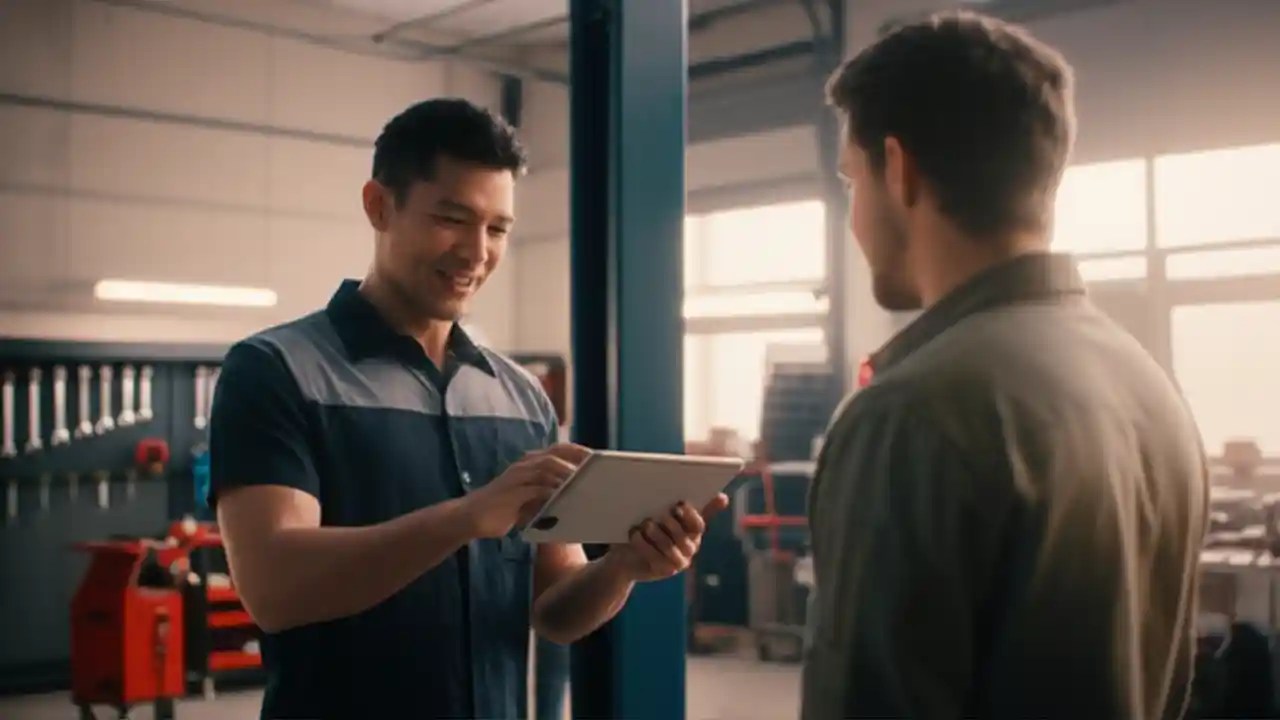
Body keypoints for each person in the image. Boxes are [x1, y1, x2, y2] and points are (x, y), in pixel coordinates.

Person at [208, 98, 728, 720]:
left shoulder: (520, 397)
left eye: (499, 229)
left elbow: (554, 608)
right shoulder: (276, 372)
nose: (477, 252)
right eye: (452, 218)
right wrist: (466, 517)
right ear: (379, 205)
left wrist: (621, 568)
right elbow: (275, 588)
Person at [802, 11, 1209, 720]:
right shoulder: (1149, 387)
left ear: (899, 170)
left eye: (850, 182)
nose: (854, 216)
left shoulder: (914, 415)